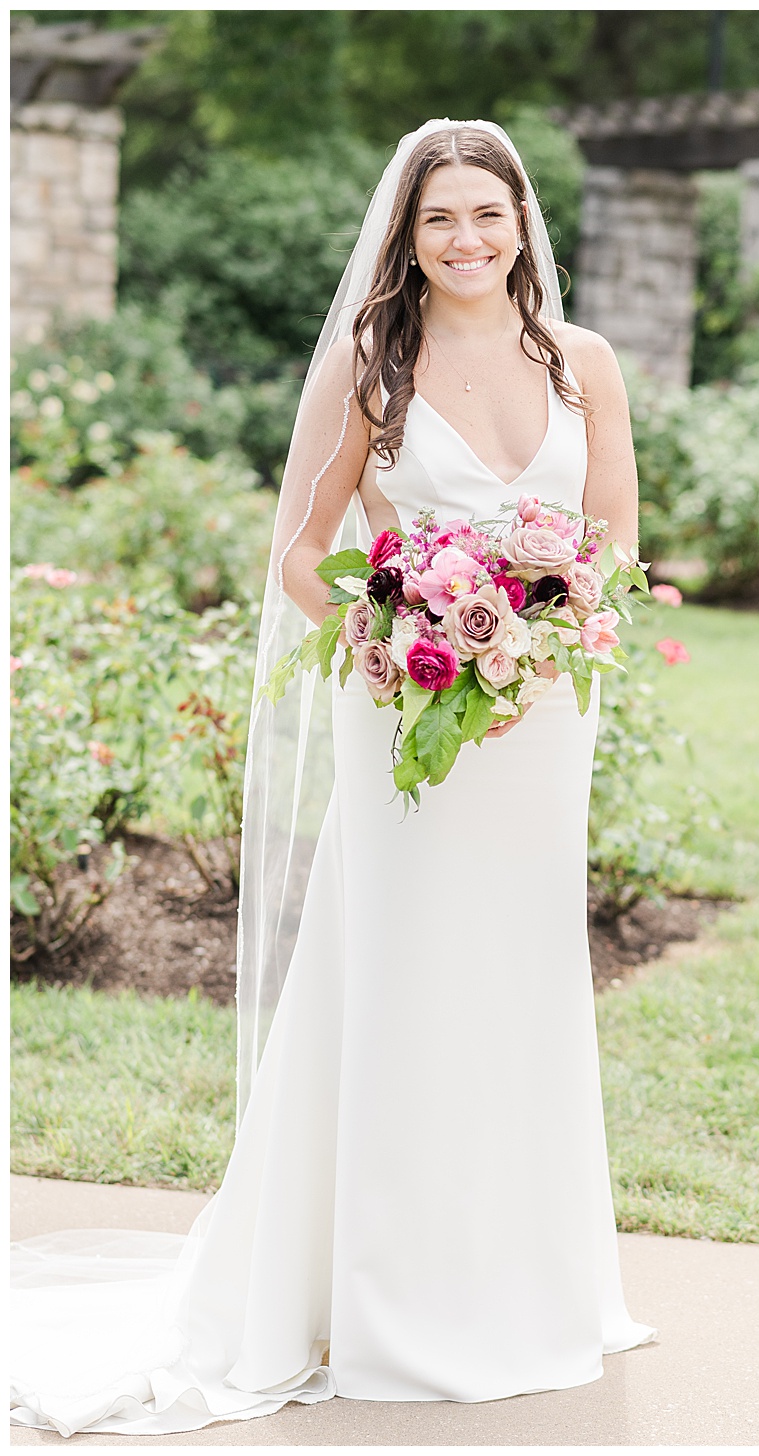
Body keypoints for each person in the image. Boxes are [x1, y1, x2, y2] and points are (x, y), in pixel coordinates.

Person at [11, 119, 654, 1436]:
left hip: (541, 719)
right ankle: (391, 1298)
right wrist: (397, 645)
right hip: (404, 710)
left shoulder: (583, 362)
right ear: (406, 238)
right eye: (440, 218)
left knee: (524, 981)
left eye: (488, 214)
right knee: (410, 978)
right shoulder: (373, 365)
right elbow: (301, 553)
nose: (468, 239)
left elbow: (613, 538)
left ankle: (530, 1284)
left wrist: (552, 633)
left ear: (522, 224)